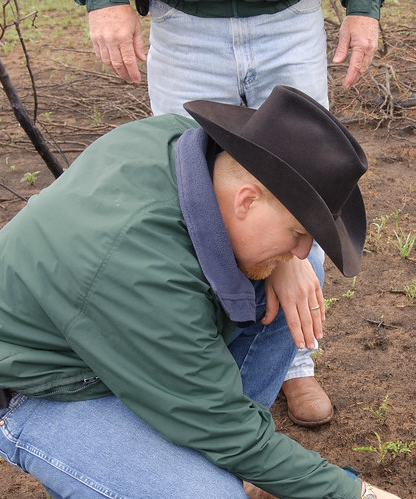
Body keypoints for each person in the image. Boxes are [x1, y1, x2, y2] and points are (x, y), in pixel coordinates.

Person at [0, 86, 416, 499]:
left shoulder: (189, 149)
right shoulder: (138, 267)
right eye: (299, 231)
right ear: (246, 200)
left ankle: (193, 448)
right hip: (33, 385)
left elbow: (257, 250)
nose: (305, 246)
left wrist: (286, 258)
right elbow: (222, 421)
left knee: (297, 272)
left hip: (109, 338)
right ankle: (100, 497)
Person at [73, 0, 382, 427]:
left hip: (289, 16)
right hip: (184, 21)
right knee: (191, 196)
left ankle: (292, 363)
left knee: (309, 186)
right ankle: (204, 377)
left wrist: (364, 6)